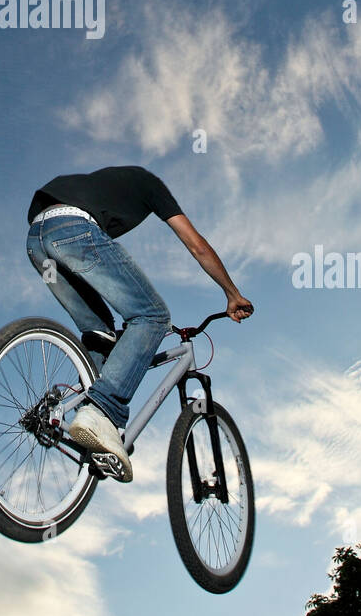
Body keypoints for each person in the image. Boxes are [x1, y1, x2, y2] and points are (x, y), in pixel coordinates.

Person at [26, 164, 252, 482]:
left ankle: (73, 413)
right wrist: (232, 293)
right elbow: (197, 245)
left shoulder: (109, 184)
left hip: (37, 241)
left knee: (99, 331)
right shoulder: (152, 185)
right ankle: (101, 410)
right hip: (71, 229)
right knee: (152, 315)